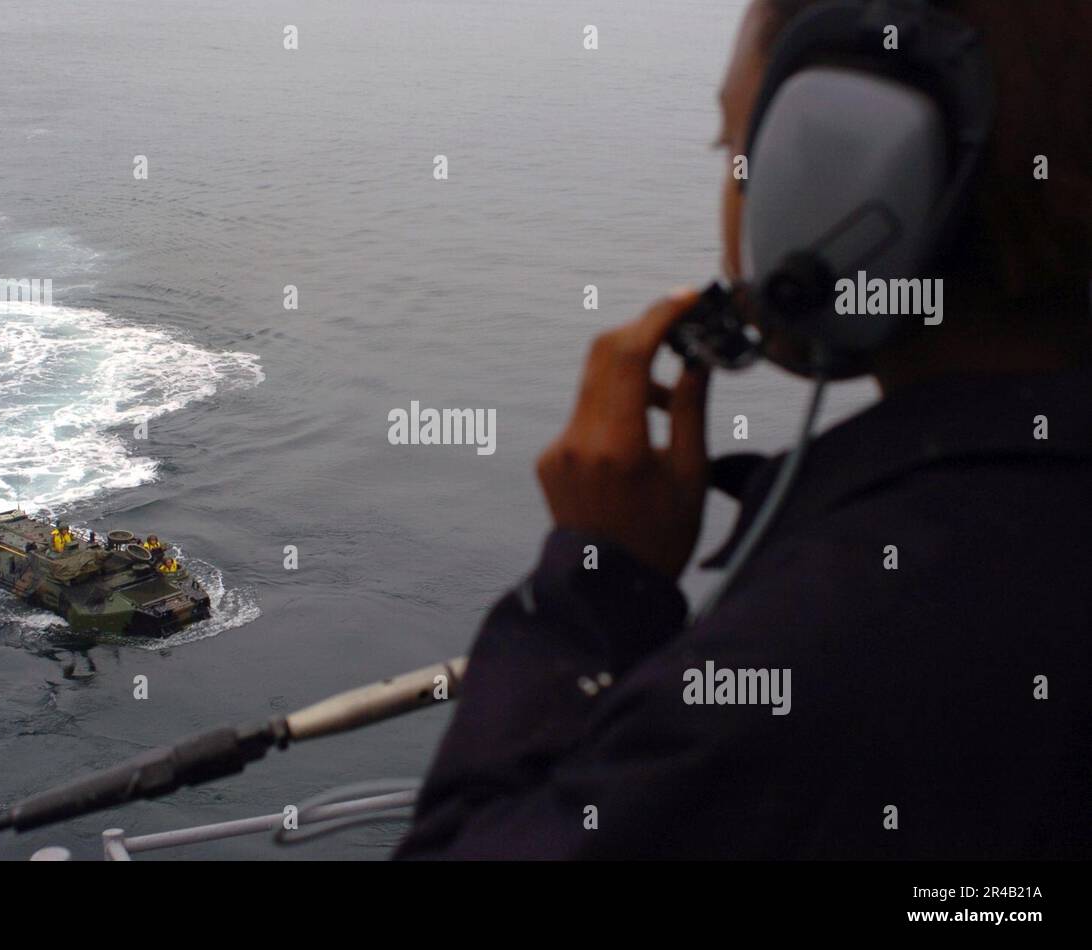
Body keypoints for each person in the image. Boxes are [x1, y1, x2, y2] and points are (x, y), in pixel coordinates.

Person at [397, 0, 1092, 860]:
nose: (734, 188)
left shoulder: (835, 640)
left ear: (857, 189)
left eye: (737, 154)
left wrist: (594, 577)